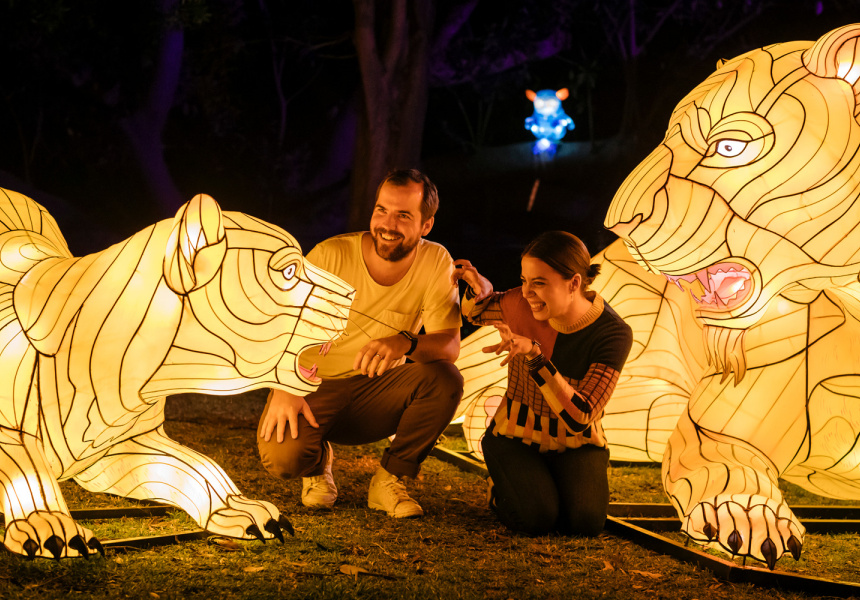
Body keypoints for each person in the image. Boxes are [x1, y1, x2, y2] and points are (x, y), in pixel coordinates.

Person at [258, 169, 463, 518]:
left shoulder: (436, 260)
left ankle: (388, 479)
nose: (387, 223)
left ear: (426, 225)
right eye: (382, 209)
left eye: (403, 215)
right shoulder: (330, 254)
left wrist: (405, 342)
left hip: (378, 392)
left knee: (446, 379)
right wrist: (283, 386)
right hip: (315, 385)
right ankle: (317, 463)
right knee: (282, 459)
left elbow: (449, 346)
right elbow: (279, 325)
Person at [453, 231, 632, 536]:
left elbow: (581, 416)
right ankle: (504, 490)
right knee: (536, 519)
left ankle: (543, 484)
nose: (526, 293)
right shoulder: (520, 306)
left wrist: (536, 357)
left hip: (577, 442)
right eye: (524, 280)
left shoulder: (612, 333)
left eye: (539, 283)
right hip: (515, 436)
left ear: (574, 283)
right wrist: (478, 290)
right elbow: (477, 312)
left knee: (585, 523)